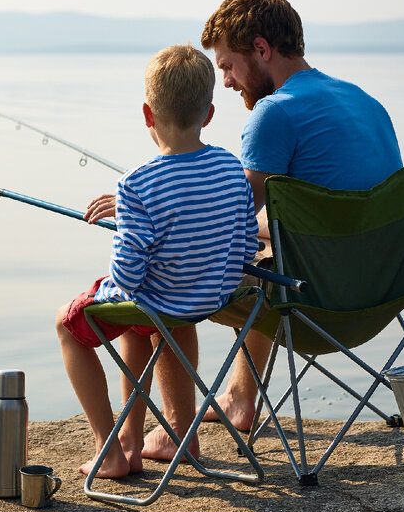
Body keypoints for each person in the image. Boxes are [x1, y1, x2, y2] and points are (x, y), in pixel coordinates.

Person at [126, 0, 404, 459]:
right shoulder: (364, 100)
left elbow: (221, 220)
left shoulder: (274, 114)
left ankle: (177, 429)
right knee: (264, 254)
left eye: (229, 66)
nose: (229, 83)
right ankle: (238, 396)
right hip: (385, 287)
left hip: (318, 303)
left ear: (261, 49)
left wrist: (147, 206)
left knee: (165, 275)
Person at [57, 44, 259, 479]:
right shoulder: (230, 168)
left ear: (148, 115)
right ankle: (154, 439)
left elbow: (127, 276)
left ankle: (107, 448)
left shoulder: (136, 184)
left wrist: (127, 232)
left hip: (162, 302)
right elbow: (246, 248)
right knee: (147, 321)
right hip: (214, 297)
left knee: (67, 324)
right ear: (208, 114)